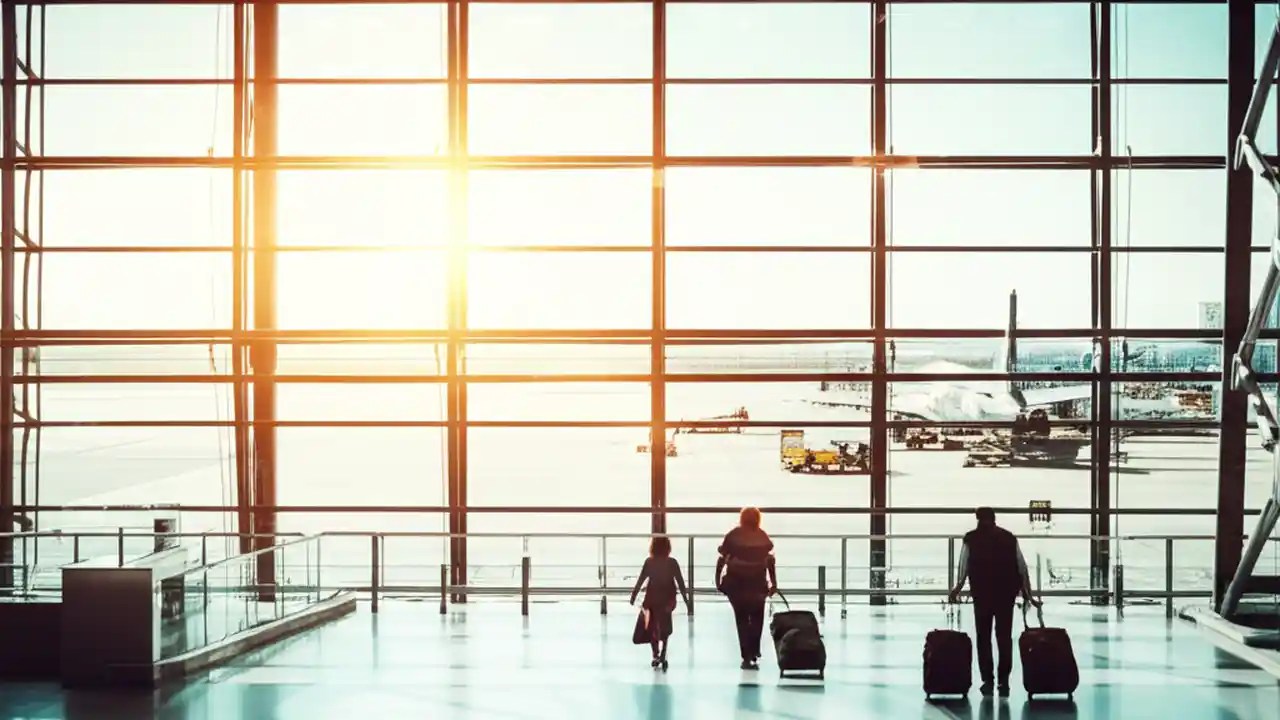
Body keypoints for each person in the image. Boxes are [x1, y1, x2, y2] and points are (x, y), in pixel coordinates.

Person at [948, 506, 1042, 698]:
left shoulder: (971, 538)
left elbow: (963, 566)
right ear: (994, 518)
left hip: (981, 594)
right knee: (1004, 637)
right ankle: (1003, 680)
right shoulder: (1009, 538)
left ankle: (988, 680)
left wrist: (957, 588)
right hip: (1005, 595)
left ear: (978, 518)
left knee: (983, 638)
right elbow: (1021, 567)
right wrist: (1028, 594)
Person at [716, 507, 778, 670]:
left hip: (736, 583)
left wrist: (718, 582)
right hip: (757, 583)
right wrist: (774, 584)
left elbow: (723, 555)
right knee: (757, 618)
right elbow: (769, 560)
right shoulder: (762, 536)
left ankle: (746, 654)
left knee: (741, 618)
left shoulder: (733, 535)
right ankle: (755, 649)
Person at [630, 535, 690, 671]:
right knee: (665, 625)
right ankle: (663, 652)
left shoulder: (649, 562)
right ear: (668, 548)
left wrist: (633, 595)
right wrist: (687, 600)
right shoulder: (672, 563)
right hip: (668, 598)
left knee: (652, 626)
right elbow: (680, 583)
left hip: (652, 597)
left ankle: (655, 654)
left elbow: (641, 580)